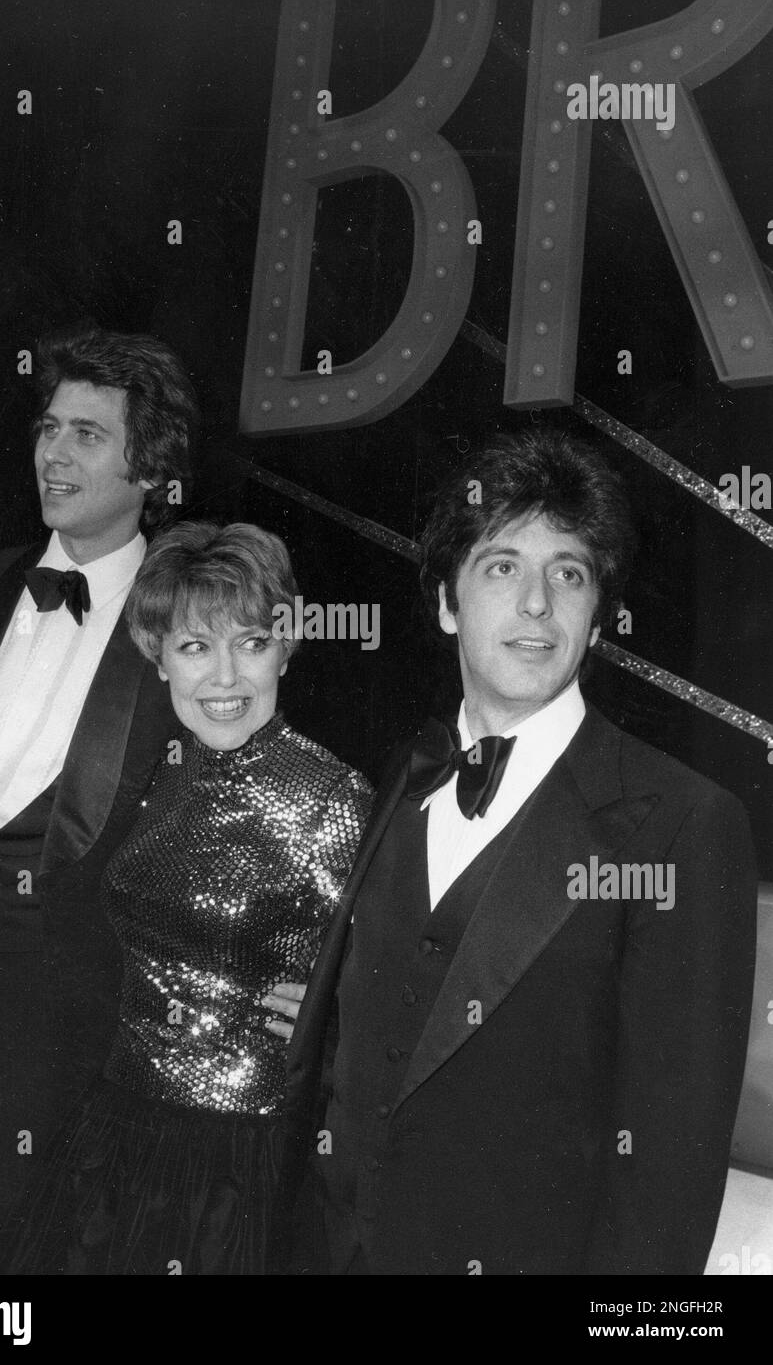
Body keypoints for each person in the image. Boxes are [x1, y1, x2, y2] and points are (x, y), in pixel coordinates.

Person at [286, 428, 758, 1276]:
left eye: (567, 574)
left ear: (597, 616)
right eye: (502, 567)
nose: (537, 603)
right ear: (445, 604)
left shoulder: (684, 825)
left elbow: (668, 1172)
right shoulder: (401, 774)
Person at [0, 323, 201, 1274]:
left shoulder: (187, 615)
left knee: (4, 1243)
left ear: (149, 467)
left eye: (87, 436)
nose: (54, 454)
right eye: (48, 428)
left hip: (53, 993)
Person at [0, 521, 372, 1275]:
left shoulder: (333, 798)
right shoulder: (151, 772)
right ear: (157, 654)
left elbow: (395, 985)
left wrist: (337, 1012)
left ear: (287, 646)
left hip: (241, 1158)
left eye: (252, 643)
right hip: (117, 1126)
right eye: (196, 647)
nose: (226, 678)